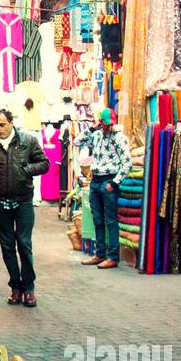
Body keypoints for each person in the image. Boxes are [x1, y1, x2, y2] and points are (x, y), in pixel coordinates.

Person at [0, 108, 49, 307]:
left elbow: (44, 163)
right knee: (7, 247)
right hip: (1, 204)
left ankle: (29, 288)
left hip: (23, 201)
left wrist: (26, 169)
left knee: (24, 244)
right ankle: (15, 288)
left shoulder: (27, 141)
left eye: (2, 124)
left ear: (11, 123)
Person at [74, 108, 131, 269]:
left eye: (110, 124)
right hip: (96, 180)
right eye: (105, 124)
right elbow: (77, 141)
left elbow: (127, 162)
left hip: (108, 181)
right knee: (97, 219)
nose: (108, 127)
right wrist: (93, 128)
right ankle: (99, 254)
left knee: (111, 220)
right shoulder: (96, 135)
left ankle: (112, 256)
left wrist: (114, 183)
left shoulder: (120, 138)